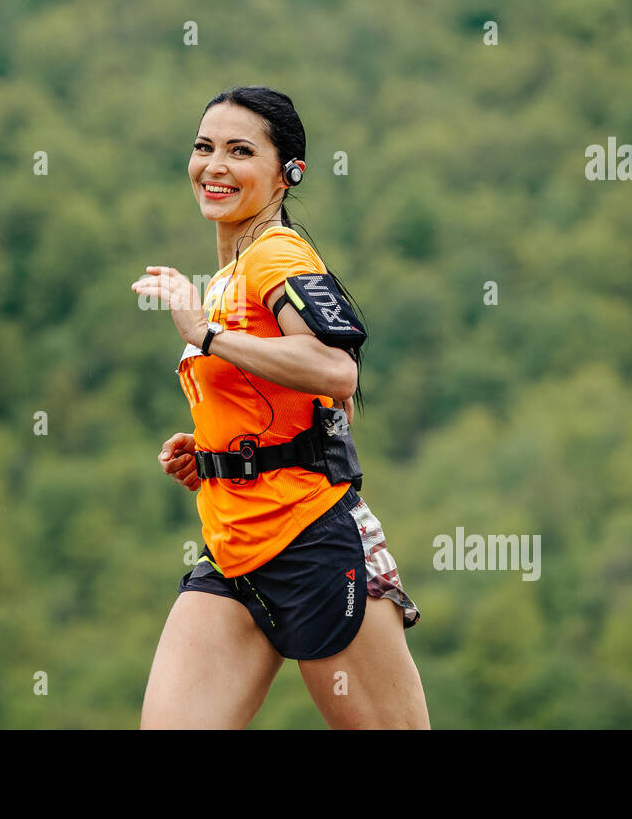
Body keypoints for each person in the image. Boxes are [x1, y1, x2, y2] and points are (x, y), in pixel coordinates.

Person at [130, 85, 430, 729]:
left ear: (286, 174)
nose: (215, 165)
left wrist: (203, 334)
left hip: (312, 543)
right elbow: (278, 398)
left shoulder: (277, 257)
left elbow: (335, 368)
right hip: (233, 552)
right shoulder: (232, 275)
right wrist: (212, 452)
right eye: (204, 147)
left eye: (240, 151)